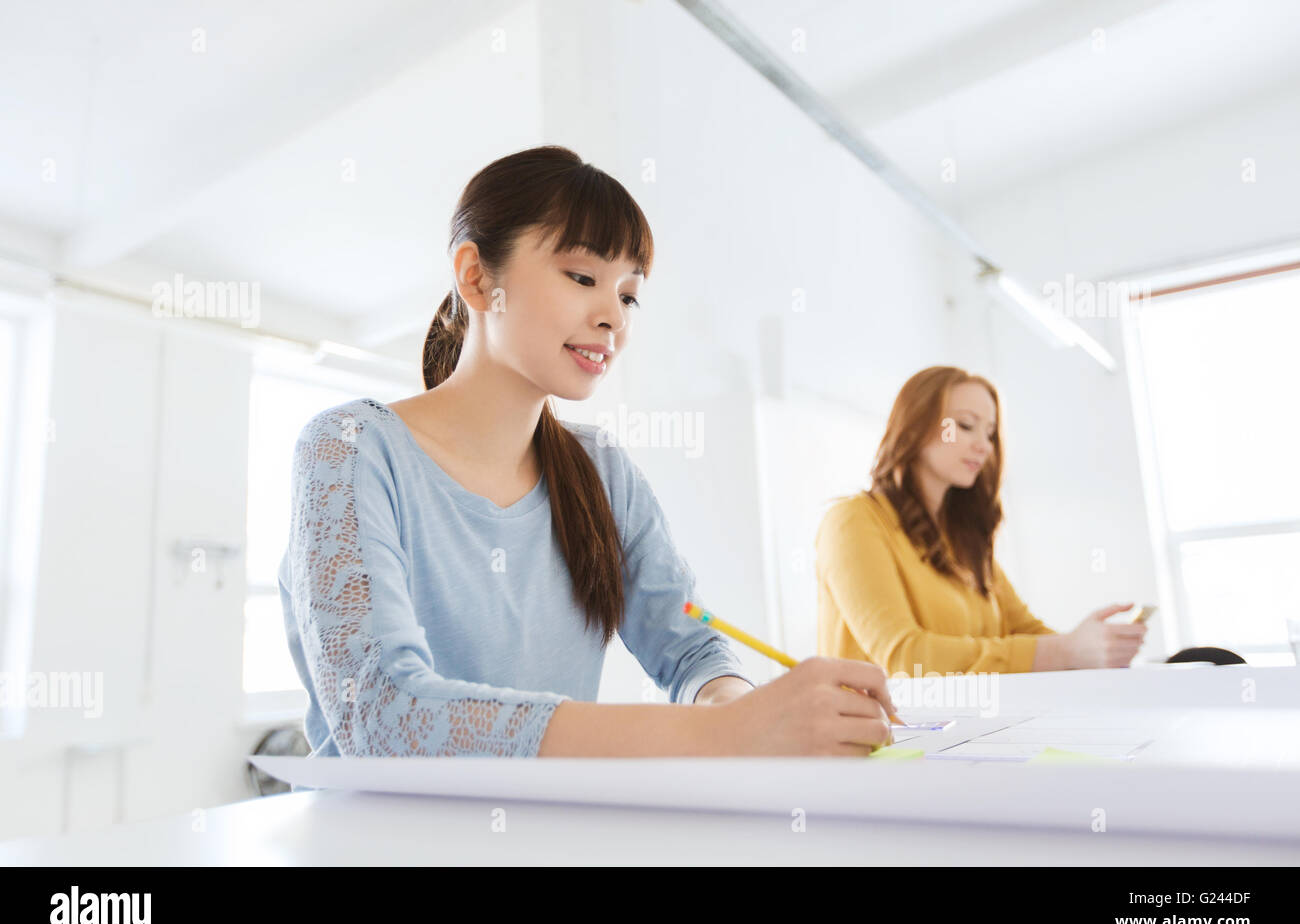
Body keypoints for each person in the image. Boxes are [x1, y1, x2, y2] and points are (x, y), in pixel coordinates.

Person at [279, 145, 896, 761]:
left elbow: (694, 651)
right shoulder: (351, 449)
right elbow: (383, 716)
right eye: (582, 278)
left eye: (628, 295)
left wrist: (752, 711)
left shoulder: (601, 472)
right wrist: (725, 734)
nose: (613, 318)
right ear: (475, 276)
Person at [815, 365, 1147, 675]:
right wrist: (1066, 653)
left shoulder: (961, 539)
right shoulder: (853, 521)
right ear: (915, 426)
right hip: (882, 734)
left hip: (969, 729)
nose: (984, 446)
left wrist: (1092, 649)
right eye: (965, 425)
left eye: (989, 433)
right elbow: (905, 658)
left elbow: (1025, 631)